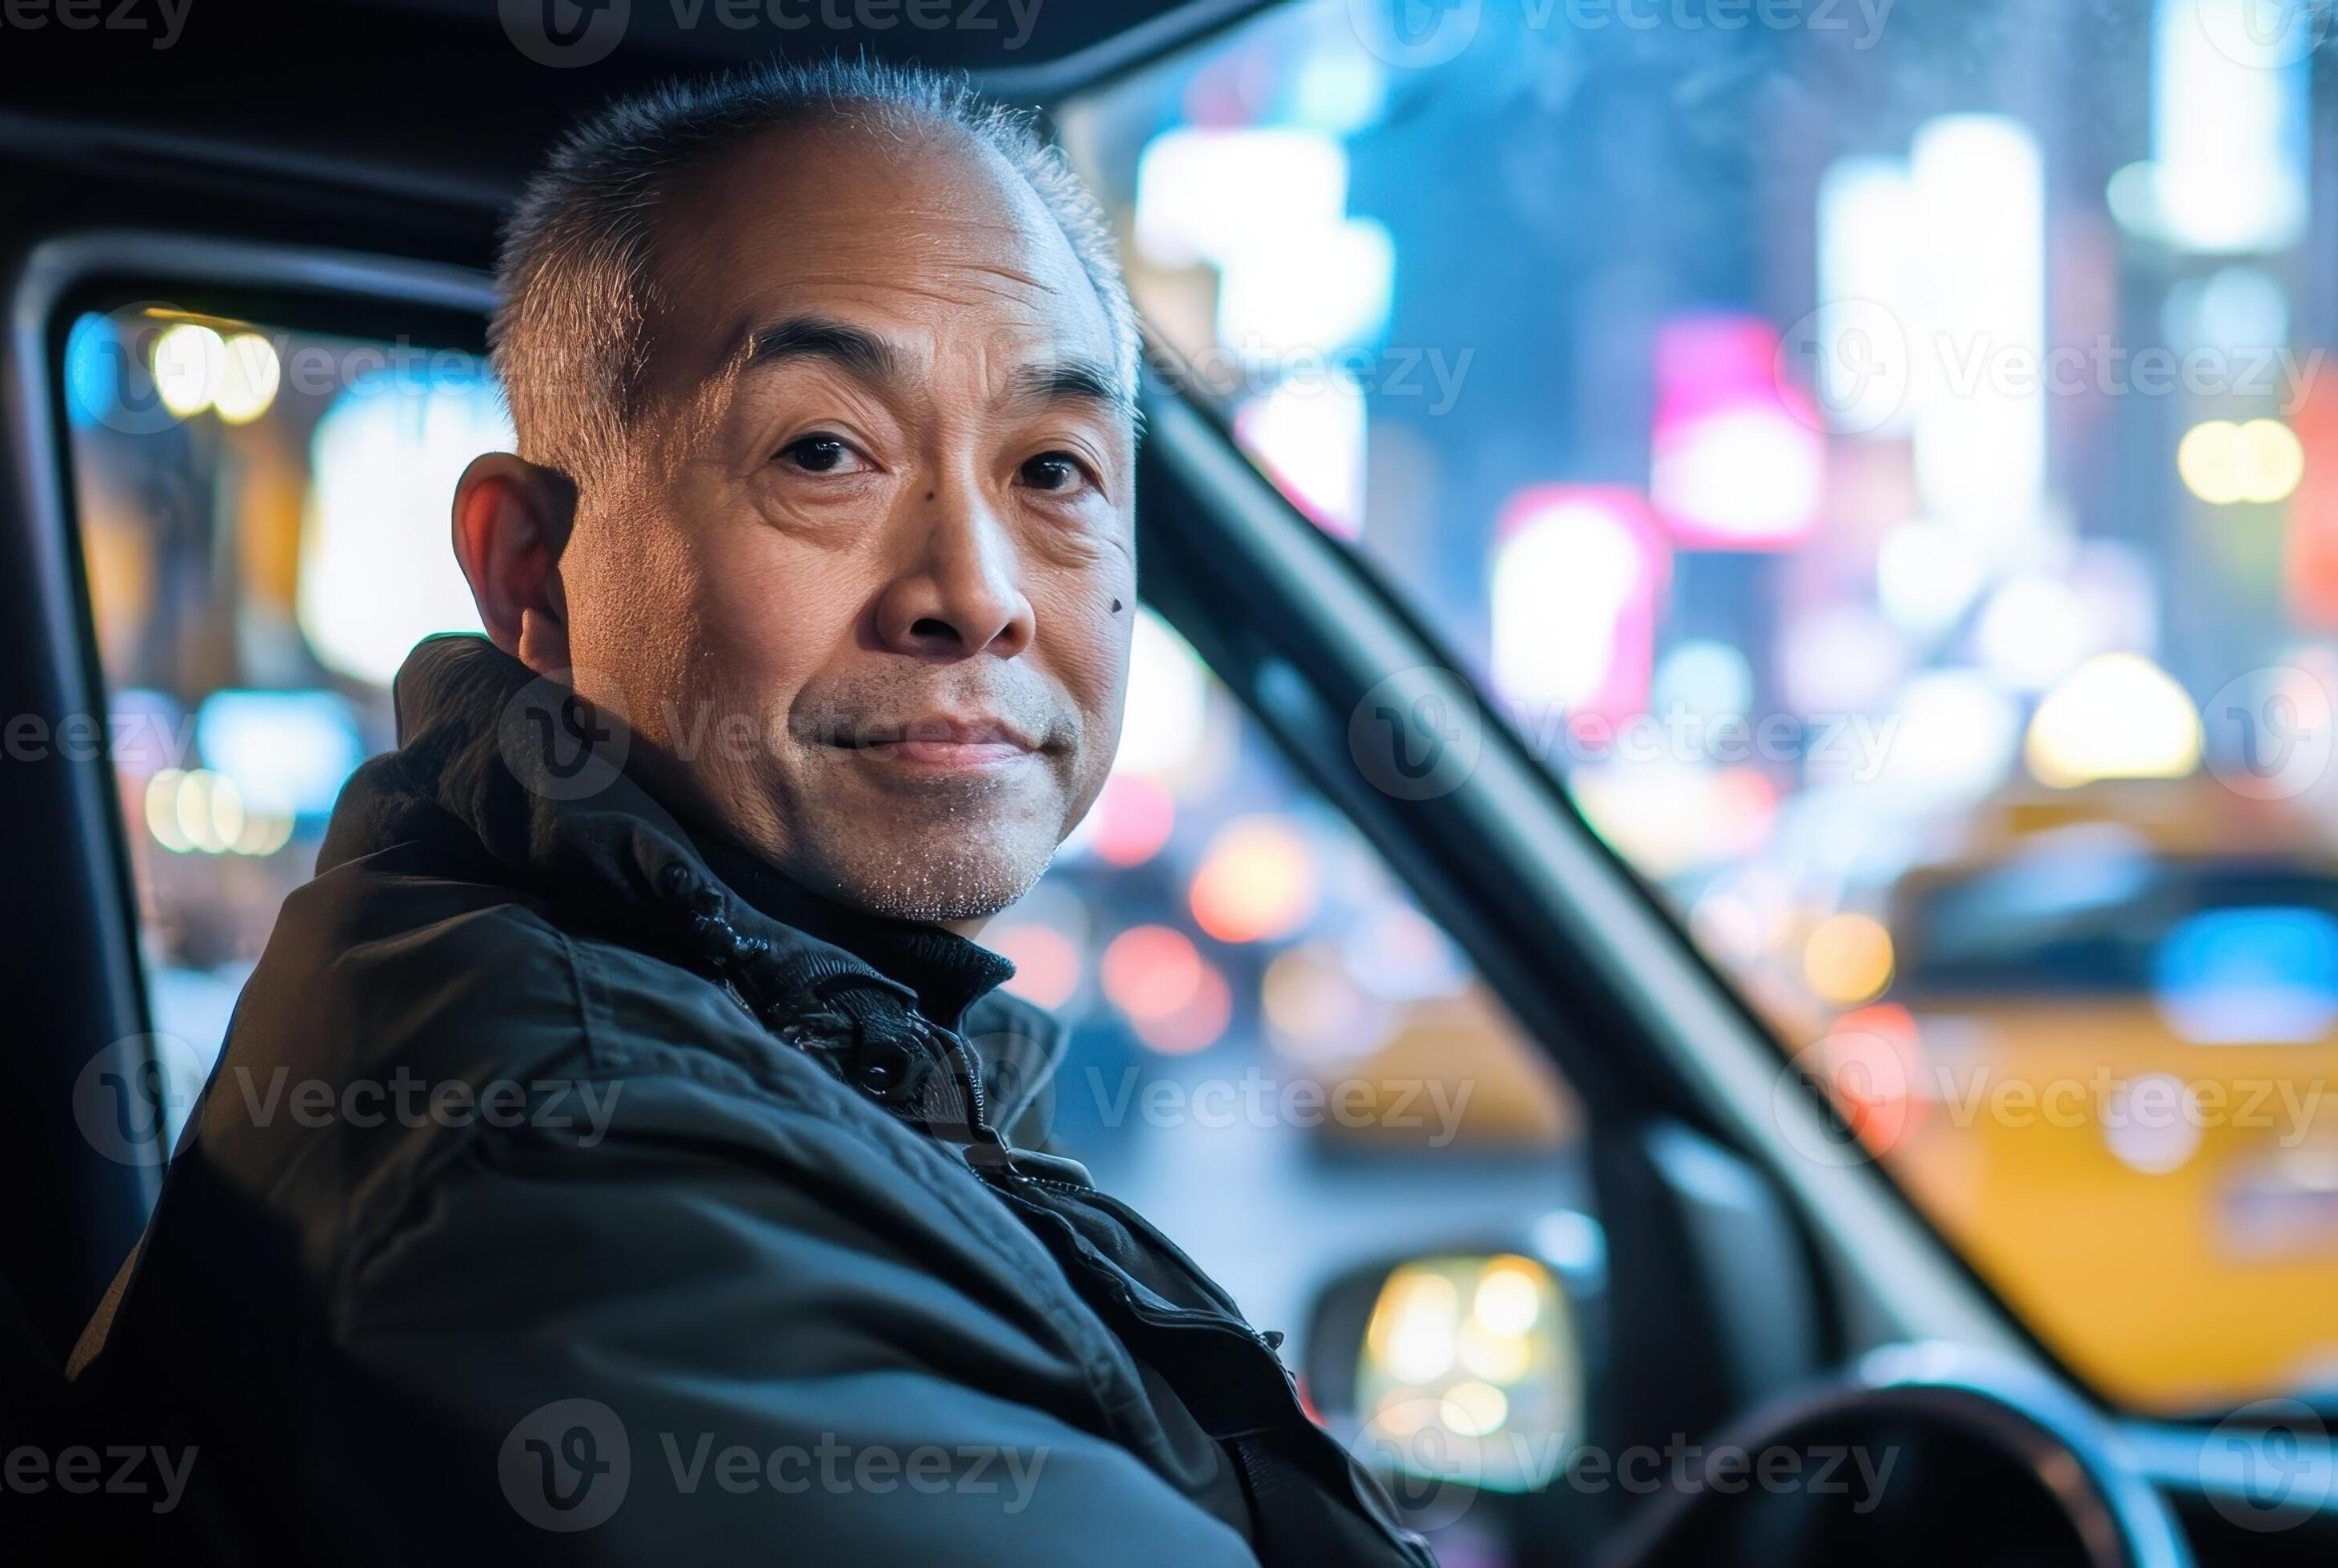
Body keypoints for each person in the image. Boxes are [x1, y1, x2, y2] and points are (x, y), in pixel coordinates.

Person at [77, 59, 1431, 1566]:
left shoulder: (783, 1037)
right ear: (534, 570)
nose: (974, 595)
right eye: (823, 453)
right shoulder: (574, 1177)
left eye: (1053, 469)